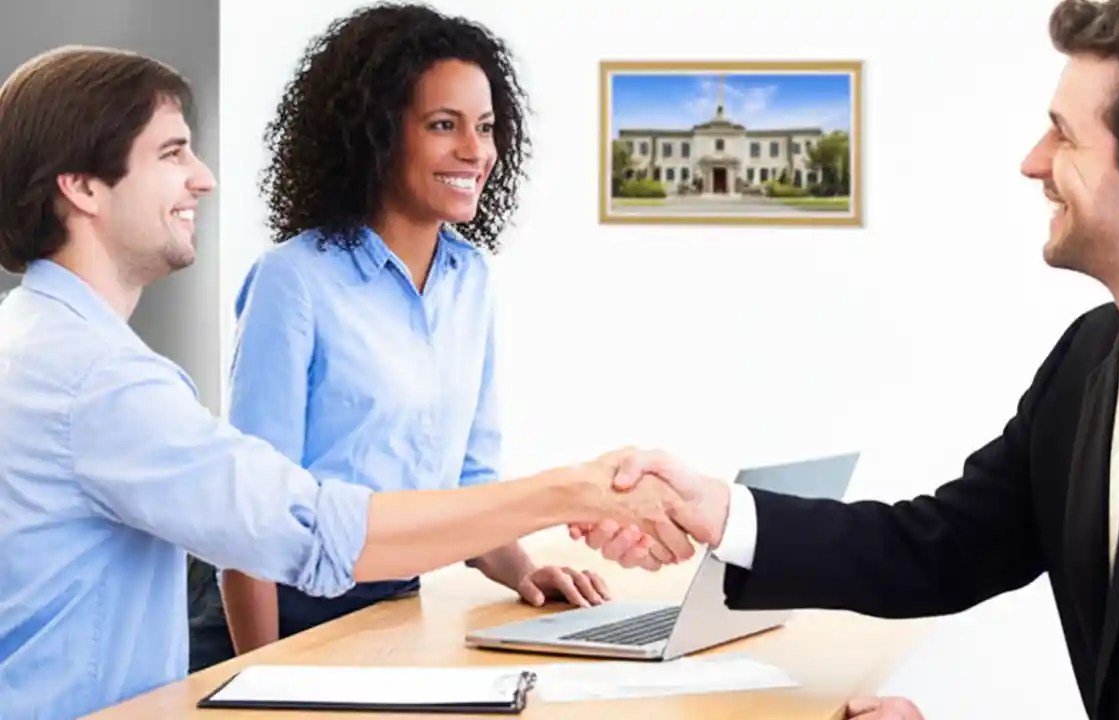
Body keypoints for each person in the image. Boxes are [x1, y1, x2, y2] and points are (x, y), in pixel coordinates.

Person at [578, 0, 1119, 718]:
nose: (1032, 161)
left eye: (1065, 138)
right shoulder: (1094, 352)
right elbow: (945, 547)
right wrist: (720, 510)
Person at [0, 46, 691, 720]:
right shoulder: (100, 378)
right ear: (83, 185)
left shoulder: (48, 343)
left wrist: (520, 557)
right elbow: (297, 530)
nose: (204, 177)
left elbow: (445, 481)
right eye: (172, 153)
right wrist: (572, 490)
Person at [189, 3, 640, 669]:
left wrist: (523, 571)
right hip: (278, 620)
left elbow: (466, 487)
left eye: (485, 128)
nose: (475, 151)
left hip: (390, 610)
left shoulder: (470, 278)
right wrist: (262, 679)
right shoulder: (295, 280)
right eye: (443, 125)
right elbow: (247, 521)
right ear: (377, 134)